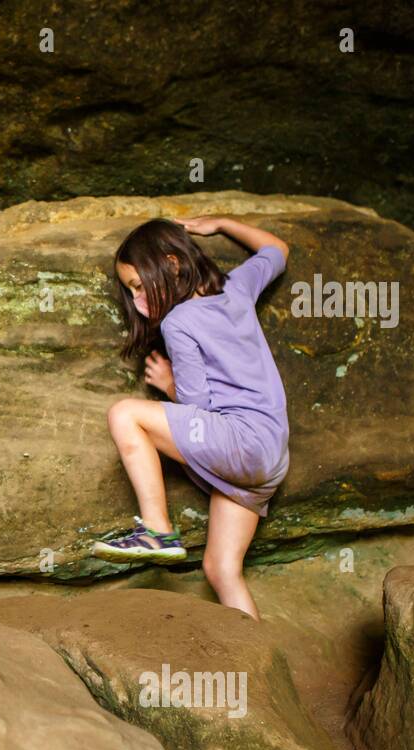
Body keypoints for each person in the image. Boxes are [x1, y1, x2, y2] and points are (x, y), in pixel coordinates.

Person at [92, 216, 291, 620]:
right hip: (271, 457)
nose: (137, 300)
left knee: (125, 414)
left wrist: (167, 385)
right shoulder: (238, 289)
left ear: (172, 264)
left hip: (239, 442)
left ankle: (156, 529)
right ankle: (258, 659)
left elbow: (196, 406)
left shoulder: (178, 321)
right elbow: (277, 250)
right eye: (130, 291)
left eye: (138, 285)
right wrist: (221, 223)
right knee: (221, 569)